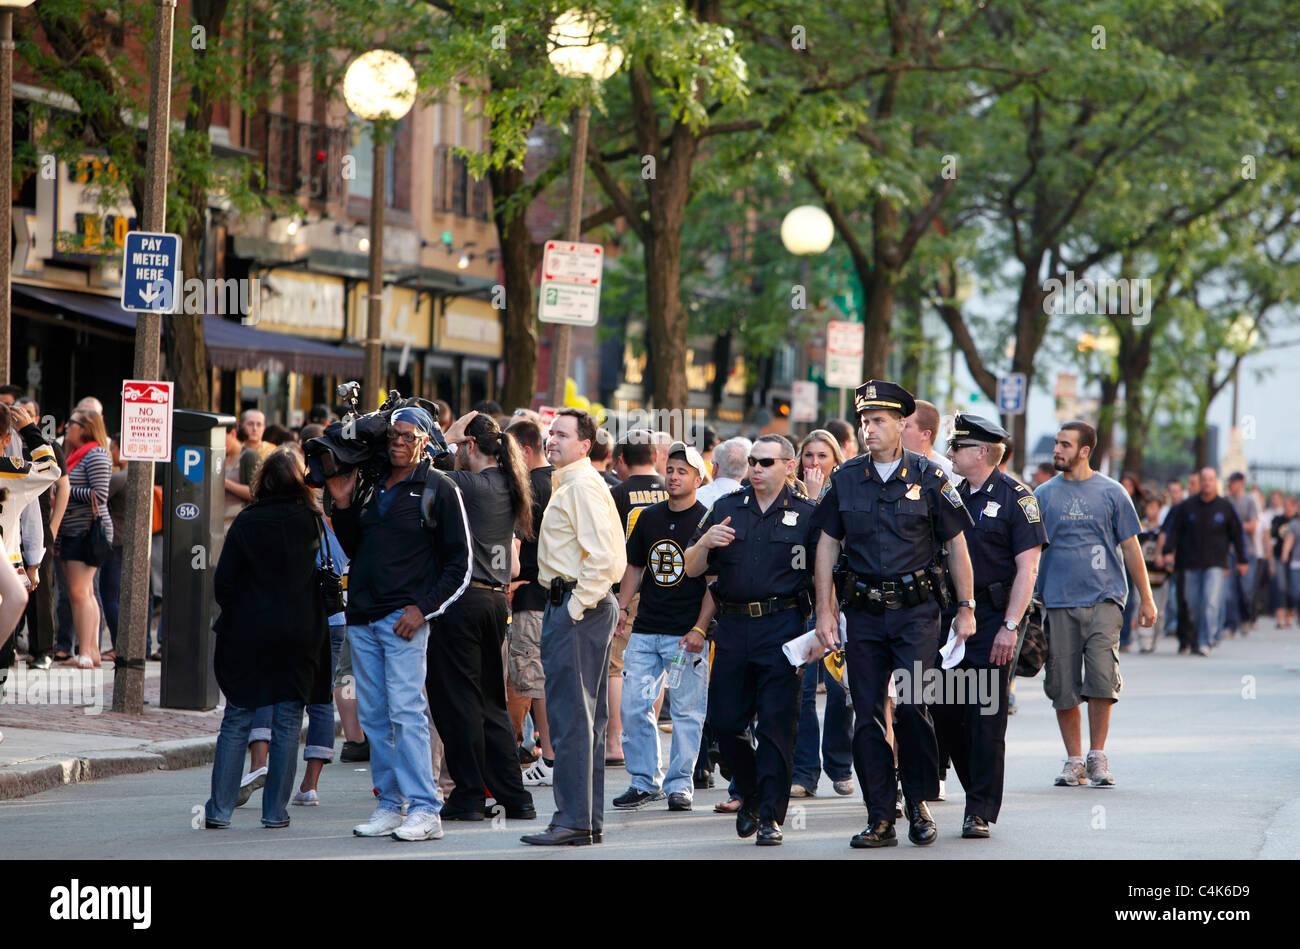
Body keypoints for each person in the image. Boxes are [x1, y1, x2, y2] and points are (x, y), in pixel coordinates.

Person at [812, 380, 976, 849]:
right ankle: (879, 815)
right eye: (864, 422)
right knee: (865, 715)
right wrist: (825, 610)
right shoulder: (846, 479)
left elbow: (956, 545)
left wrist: (965, 608)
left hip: (917, 615)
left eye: (878, 421)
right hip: (862, 616)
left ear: (903, 425)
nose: (868, 429)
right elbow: (827, 545)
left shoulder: (929, 475)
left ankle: (919, 803)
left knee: (912, 709)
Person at [327, 406, 472, 843]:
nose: (398, 441)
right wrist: (342, 502)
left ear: (426, 441)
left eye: (408, 436)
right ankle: (391, 804)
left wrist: (422, 609)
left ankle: (426, 809)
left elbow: (460, 565)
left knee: (407, 712)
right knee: (374, 715)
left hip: (403, 619)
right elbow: (355, 547)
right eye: (393, 435)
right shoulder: (371, 485)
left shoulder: (439, 488)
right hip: (363, 617)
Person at [685, 434, 819, 847]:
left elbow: (825, 574)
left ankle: (770, 818)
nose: (756, 469)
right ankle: (751, 790)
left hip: (783, 628)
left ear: (787, 466)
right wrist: (705, 543)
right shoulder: (726, 509)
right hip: (734, 628)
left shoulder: (808, 514)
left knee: (778, 727)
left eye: (765, 462)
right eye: (753, 463)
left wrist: (826, 624)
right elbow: (690, 569)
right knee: (726, 722)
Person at [203, 449, 332, 829]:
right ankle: (275, 812)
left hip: (248, 633)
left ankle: (220, 810)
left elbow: (223, 584)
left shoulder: (246, 521)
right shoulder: (311, 521)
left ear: (263, 481)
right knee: (289, 721)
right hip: (298, 634)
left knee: (238, 717)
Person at [932, 415, 1047, 839]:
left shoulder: (1019, 498)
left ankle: (979, 808)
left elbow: (1028, 566)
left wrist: (1011, 626)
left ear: (982, 451)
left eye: (957, 447)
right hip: (951, 619)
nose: (950, 454)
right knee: (942, 709)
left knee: (984, 716)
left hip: (996, 619)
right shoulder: (953, 495)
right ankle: (972, 785)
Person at [426, 411, 537, 822]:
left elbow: (423, 474)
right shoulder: (508, 484)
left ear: (470, 445)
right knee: (490, 701)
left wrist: (441, 437)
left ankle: (469, 794)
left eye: (460, 445)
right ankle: (515, 796)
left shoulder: (467, 485)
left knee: (458, 703)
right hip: (494, 603)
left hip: (463, 603)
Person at [522, 408, 625, 846]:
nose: (552, 440)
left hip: (577, 608)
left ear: (585, 445)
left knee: (572, 720)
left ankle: (573, 821)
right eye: (551, 433)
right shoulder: (574, 482)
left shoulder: (581, 485)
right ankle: (583, 819)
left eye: (562, 434)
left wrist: (574, 609)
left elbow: (607, 558)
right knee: (586, 720)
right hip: (579, 606)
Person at [1034, 422, 1156, 788]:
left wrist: (1146, 598)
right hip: (1056, 601)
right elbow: (1028, 553)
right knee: (1062, 684)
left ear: (1085, 451)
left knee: (1102, 679)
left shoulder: (1113, 493)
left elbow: (1131, 548)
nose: (1057, 450)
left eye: (1065, 445)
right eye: (1056, 443)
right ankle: (1074, 761)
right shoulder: (1042, 495)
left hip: (1104, 599)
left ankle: (1097, 754)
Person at [613, 441, 714, 812]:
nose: (673, 476)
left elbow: (713, 583)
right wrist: (623, 609)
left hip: (685, 634)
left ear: (698, 478)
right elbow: (635, 566)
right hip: (645, 629)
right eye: (670, 469)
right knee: (633, 706)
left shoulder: (709, 520)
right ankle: (643, 781)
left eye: (682, 471)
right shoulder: (649, 517)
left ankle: (679, 785)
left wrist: (700, 629)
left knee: (687, 711)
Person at [790, 429, 854, 800]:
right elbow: (802, 546)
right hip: (802, 608)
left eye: (822, 457)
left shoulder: (846, 492)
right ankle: (804, 772)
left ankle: (839, 765)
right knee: (800, 691)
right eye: (808, 456)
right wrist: (810, 500)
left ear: (835, 461)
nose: (814, 464)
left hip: (838, 608)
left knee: (839, 689)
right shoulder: (792, 497)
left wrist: (818, 500)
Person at [605, 431, 668, 766]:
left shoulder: (616, 492)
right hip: (663, 584)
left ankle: (615, 741)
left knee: (617, 666)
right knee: (656, 665)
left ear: (621, 462)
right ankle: (648, 732)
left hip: (625, 586)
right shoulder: (673, 487)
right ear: (655, 457)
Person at [505, 417, 558, 784]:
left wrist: (507, 580)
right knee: (545, 679)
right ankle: (553, 755)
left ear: (524, 451)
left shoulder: (529, 488)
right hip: (554, 594)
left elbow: (513, 551)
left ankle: (549, 757)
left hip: (531, 594)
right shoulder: (560, 480)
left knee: (534, 680)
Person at [1163, 467, 1248, 655]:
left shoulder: (1225, 507)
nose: (1207, 483)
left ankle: (1205, 641)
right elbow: (1174, 531)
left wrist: (1242, 559)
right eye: (1204, 479)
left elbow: (1237, 534)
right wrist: (1168, 551)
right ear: (1200, 482)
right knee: (1193, 603)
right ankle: (1197, 636)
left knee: (1211, 601)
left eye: (1211, 479)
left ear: (1215, 482)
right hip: (1190, 563)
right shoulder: (1187, 506)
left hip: (1215, 563)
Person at [0, 403, 60, 655]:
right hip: (6, 573)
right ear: (5, 438)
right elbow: (50, 469)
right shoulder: (10, 469)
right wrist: (30, 430)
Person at [56, 408, 113, 668]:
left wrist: (64, 490)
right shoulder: (75, 455)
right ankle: (90, 651)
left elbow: (99, 495)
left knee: (81, 593)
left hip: (87, 532)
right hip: (72, 531)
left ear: (86, 427)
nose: (67, 427)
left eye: (73, 423)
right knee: (83, 592)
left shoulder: (97, 453)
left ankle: (88, 651)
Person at [15, 398, 68, 670]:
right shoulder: (9, 450)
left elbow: (59, 481)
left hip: (37, 525)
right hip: (11, 528)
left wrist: (54, 526)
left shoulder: (48, 448)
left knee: (41, 589)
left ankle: (42, 649)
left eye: (26, 415)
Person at [1223, 472, 1259, 637]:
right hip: (1229, 552)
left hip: (1247, 552)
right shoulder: (1227, 502)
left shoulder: (1250, 501)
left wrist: (1236, 527)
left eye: (1235, 481)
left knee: (1245, 589)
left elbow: (1253, 526)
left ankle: (1246, 618)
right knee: (1229, 591)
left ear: (1242, 483)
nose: (1232, 484)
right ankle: (1232, 624)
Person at [1136, 496, 1170, 652]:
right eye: (1148, 507)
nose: (1151, 511)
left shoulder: (1163, 530)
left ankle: (1154, 637)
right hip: (1143, 575)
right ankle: (1144, 641)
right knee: (1141, 606)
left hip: (1160, 576)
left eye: (1154, 507)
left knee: (1159, 611)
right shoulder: (1139, 527)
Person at [902, 398, 954, 480]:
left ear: (925, 434)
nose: (899, 429)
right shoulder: (891, 465)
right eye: (900, 424)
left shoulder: (949, 471)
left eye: (906, 426)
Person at [696, 437, 750, 509]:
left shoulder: (696, 496)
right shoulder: (751, 501)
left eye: (712, 463)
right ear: (746, 472)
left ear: (715, 467)